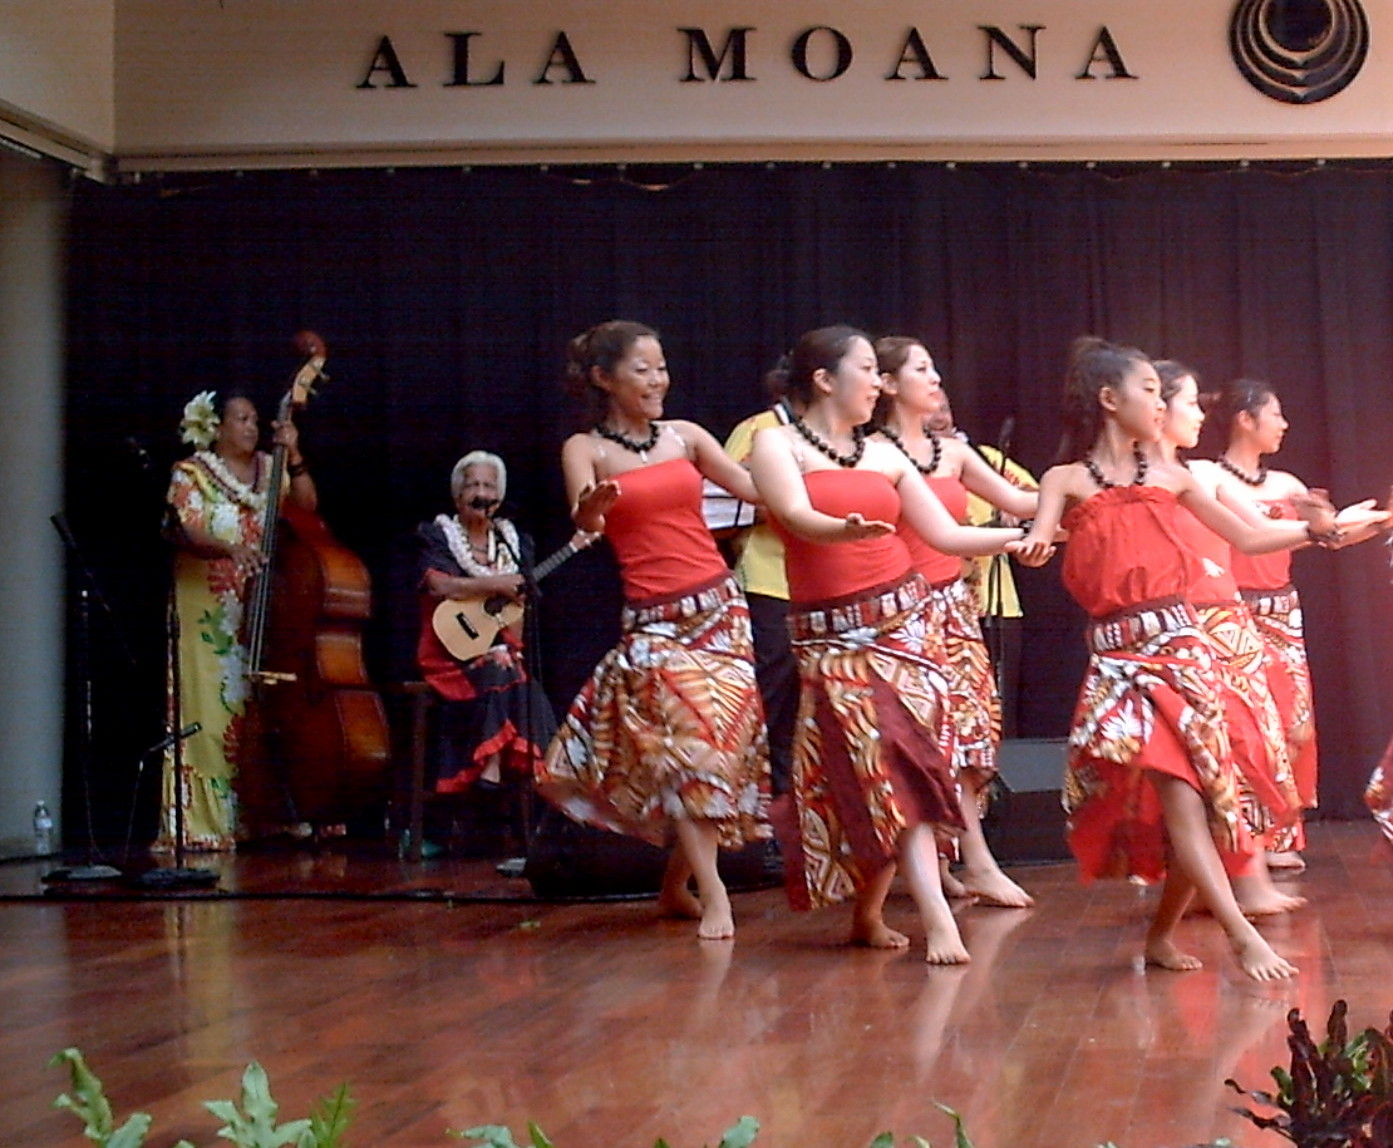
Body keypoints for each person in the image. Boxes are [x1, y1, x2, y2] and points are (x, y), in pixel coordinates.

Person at [1016, 337, 1384, 981]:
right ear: (1109, 400)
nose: (1160, 404)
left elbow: (1247, 535)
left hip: (1186, 652)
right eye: (1150, 392)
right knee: (1183, 794)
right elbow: (1039, 534)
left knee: (1209, 802)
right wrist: (1032, 543)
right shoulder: (1064, 481)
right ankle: (1243, 936)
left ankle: (1161, 935)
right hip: (1122, 663)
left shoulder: (1176, 477)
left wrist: (1319, 530)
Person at [747, 325, 1029, 964]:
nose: (878, 383)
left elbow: (949, 536)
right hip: (831, 641)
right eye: (868, 369)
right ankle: (899, 913)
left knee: (904, 765)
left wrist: (1026, 538)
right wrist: (840, 530)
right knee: (871, 772)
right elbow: (793, 514)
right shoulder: (776, 443)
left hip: (907, 627)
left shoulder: (885, 456)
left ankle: (907, 915)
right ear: (824, 379)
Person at [537, 320, 770, 941]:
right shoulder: (585, 448)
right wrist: (594, 507)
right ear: (603, 377)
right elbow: (586, 521)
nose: (658, 379)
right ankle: (713, 892)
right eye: (643, 369)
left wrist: (800, 462)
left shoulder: (688, 437)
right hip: (654, 624)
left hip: (721, 611)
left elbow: (752, 488)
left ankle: (673, 887)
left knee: (720, 760)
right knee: (690, 751)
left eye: (661, 367)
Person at [871, 335, 1039, 909]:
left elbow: (1023, 504)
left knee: (972, 737)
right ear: (887, 384)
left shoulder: (957, 454)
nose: (937, 377)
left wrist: (1088, 498)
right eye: (922, 369)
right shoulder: (872, 454)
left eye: (936, 366)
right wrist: (1021, 539)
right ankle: (948, 864)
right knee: (924, 744)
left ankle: (970, 859)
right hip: (897, 615)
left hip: (954, 607)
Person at [1203, 378, 1388, 870]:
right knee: (1244, 724)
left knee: (1293, 723)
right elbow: (1253, 537)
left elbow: (1328, 537)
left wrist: (1381, 521)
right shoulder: (1207, 480)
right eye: (1276, 414)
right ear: (1246, 420)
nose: (1284, 424)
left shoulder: (1287, 485)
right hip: (1231, 614)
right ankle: (1244, 834)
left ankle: (1282, 829)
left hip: (1282, 611)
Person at [1150, 361, 1304, 916]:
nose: (1199, 413)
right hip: (1183, 628)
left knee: (1253, 746)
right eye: (1188, 403)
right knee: (1213, 754)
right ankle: (1229, 883)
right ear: (1154, 408)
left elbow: (1255, 535)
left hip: (1229, 621)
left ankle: (1243, 878)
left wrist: (1329, 528)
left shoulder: (1196, 477)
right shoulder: (1151, 480)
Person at [160, 388, 317, 852]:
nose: (253, 427)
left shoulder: (272, 470)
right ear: (218, 427)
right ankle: (202, 823)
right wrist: (229, 548)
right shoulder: (191, 474)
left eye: (255, 419)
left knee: (263, 712)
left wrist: (297, 454)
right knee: (210, 714)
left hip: (265, 613)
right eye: (243, 419)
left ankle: (263, 813)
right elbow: (182, 528)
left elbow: (307, 508)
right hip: (208, 610)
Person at [414, 451, 563, 853]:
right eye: (473, 486)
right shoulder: (438, 535)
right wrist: (497, 585)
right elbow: (439, 586)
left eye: (489, 487)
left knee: (509, 665)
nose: (481, 494)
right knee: (510, 671)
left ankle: (498, 769)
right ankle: (549, 780)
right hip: (449, 652)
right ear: (457, 494)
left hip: (496, 652)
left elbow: (513, 625)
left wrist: (512, 602)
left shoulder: (516, 543)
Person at [933, 393, 1039, 742]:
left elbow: (1035, 499)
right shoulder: (898, 462)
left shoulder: (987, 459)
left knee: (995, 704)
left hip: (996, 603)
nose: (939, 417)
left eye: (945, 408)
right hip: (934, 598)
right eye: (930, 411)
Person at [721, 375, 799, 803]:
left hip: (828, 585)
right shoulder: (757, 429)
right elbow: (723, 501)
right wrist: (790, 507)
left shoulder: (845, 435)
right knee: (773, 700)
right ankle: (764, 811)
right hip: (769, 582)